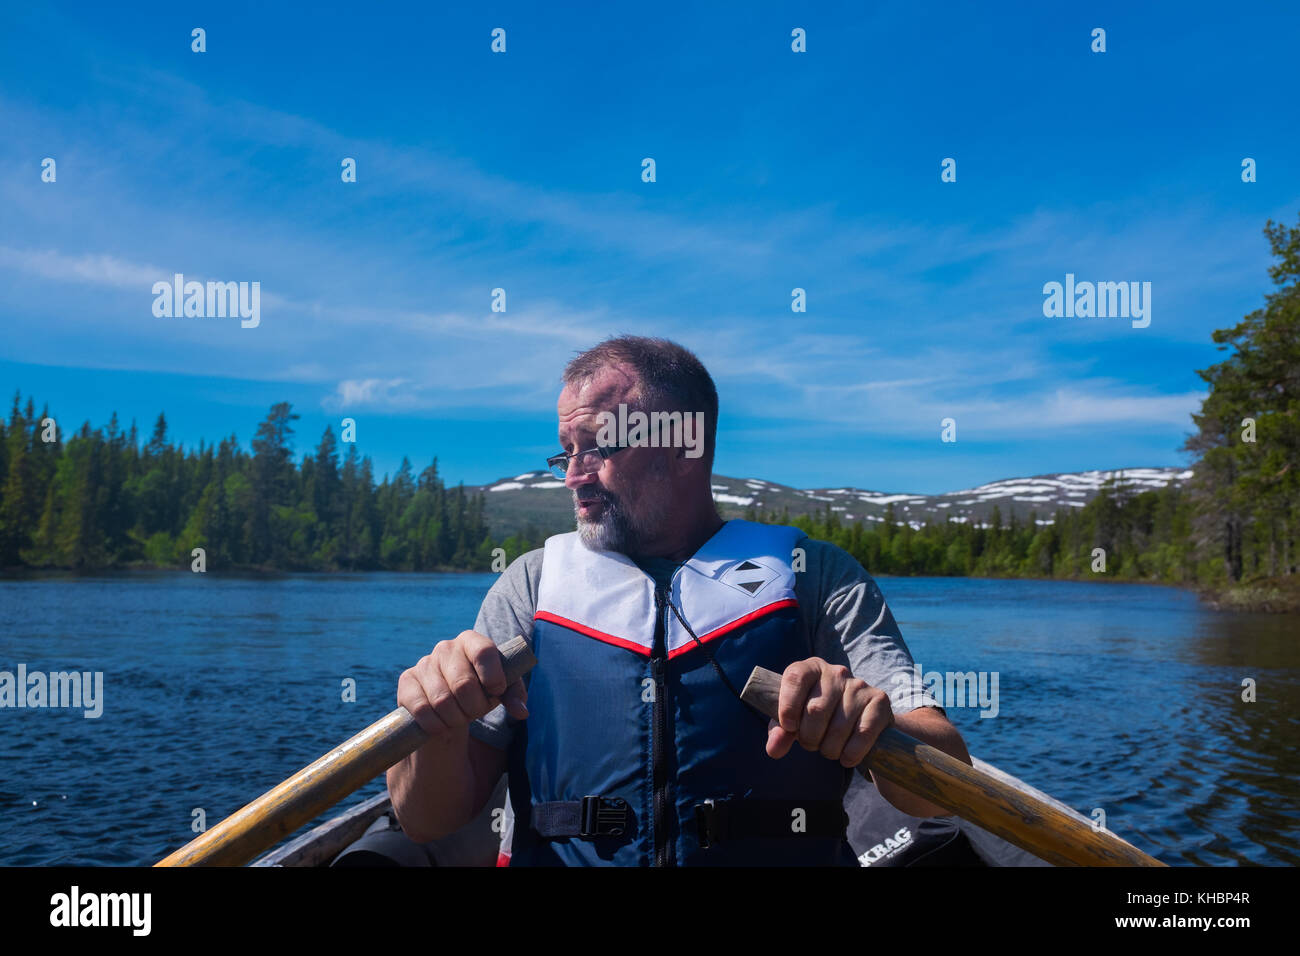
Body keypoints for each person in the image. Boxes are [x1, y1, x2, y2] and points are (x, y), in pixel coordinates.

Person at [387, 335, 972, 866]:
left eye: (597, 447)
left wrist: (874, 720)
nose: (573, 475)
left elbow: (944, 784)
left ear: (684, 447)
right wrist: (436, 730)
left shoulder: (815, 575)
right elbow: (425, 821)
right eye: (567, 450)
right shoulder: (530, 586)